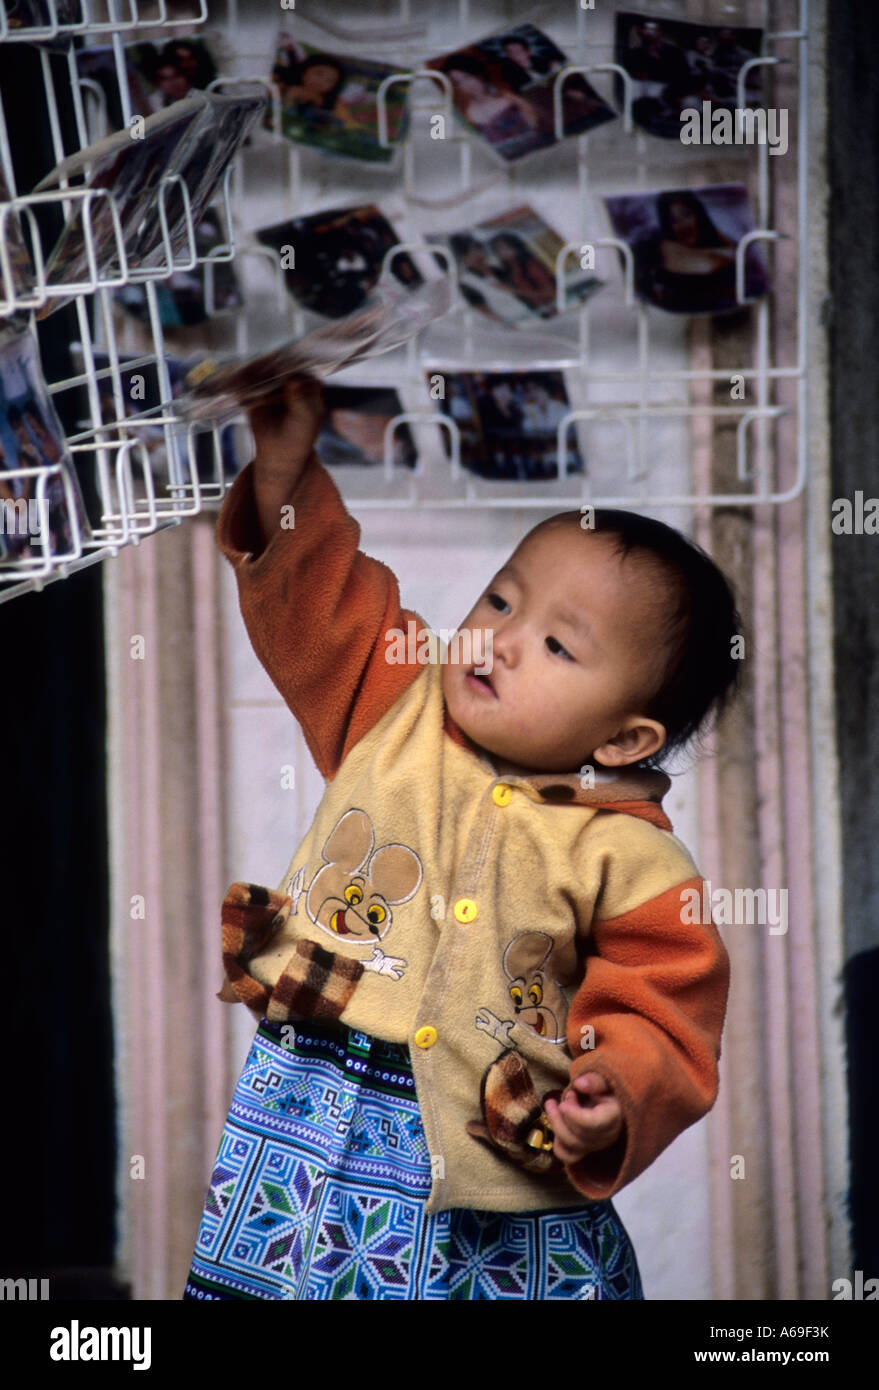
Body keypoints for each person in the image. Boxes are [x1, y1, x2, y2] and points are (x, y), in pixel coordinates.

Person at [183, 378, 736, 1301]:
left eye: (558, 647)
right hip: (315, 1116)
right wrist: (283, 468)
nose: (501, 641)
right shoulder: (390, 701)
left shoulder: (632, 860)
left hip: (500, 1171)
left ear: (623, 739)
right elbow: (312, 596)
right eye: (500, 601)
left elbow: (663, 1011)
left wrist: (618, 1095)